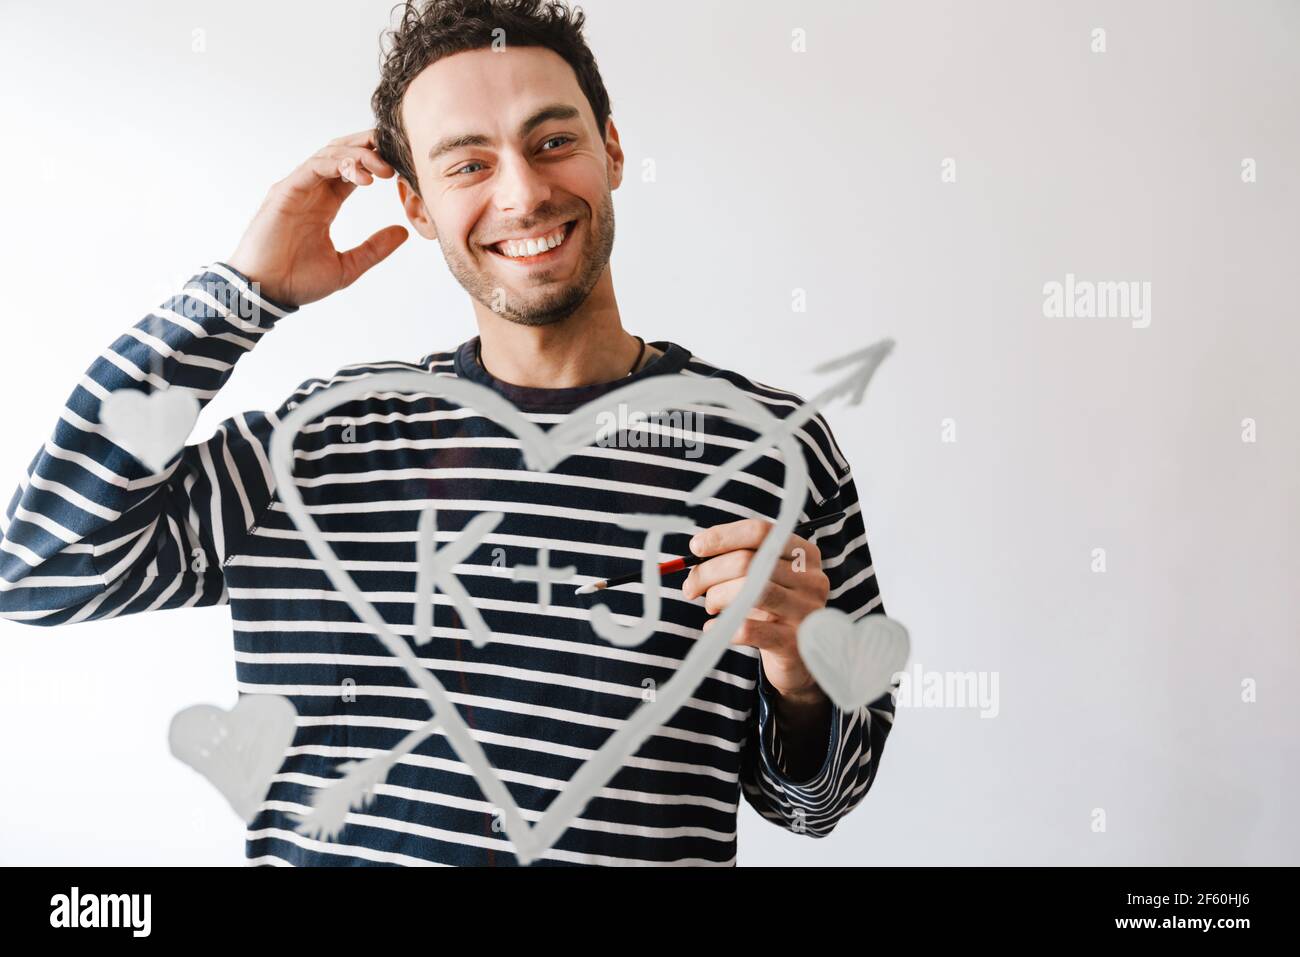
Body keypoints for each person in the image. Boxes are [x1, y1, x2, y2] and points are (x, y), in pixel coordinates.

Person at [0, 0, 895, 866]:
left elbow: (817, 803)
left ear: (611, 150)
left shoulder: (774, 448)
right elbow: (41, 570)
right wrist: (242, 293)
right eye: (467, 164)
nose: (524, 193)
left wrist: (803, 671)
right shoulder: (317, 445)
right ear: (418, 206)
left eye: (553, 142)